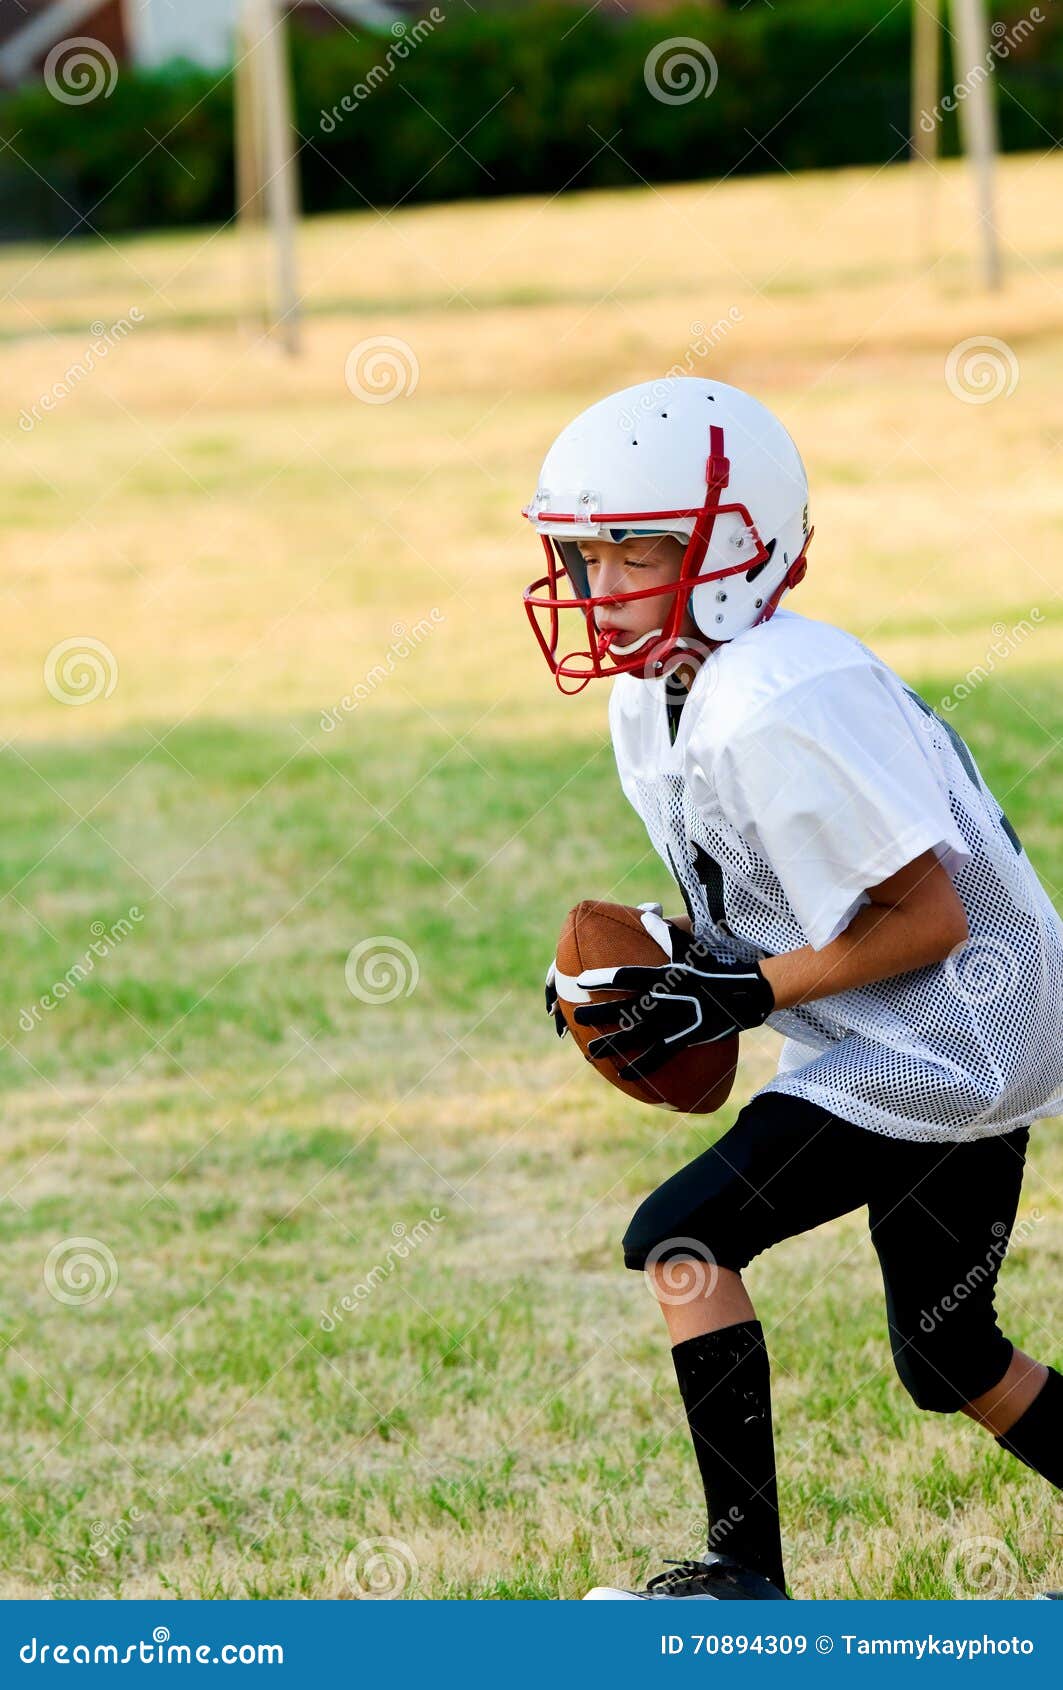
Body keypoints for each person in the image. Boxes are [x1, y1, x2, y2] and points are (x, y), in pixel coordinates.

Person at [522, 377, 1063, 1601]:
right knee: (946, 1349)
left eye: (635, 552)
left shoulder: (774, 692)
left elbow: (930, 917)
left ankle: (741, 1574)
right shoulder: (657, 697)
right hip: (914, 1016)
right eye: (586, 555)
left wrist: (742, 997)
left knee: (682, 1237)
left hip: (951, 1026)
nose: (598, 586)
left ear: (730, 549)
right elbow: (764, 893)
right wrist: (645, 956)